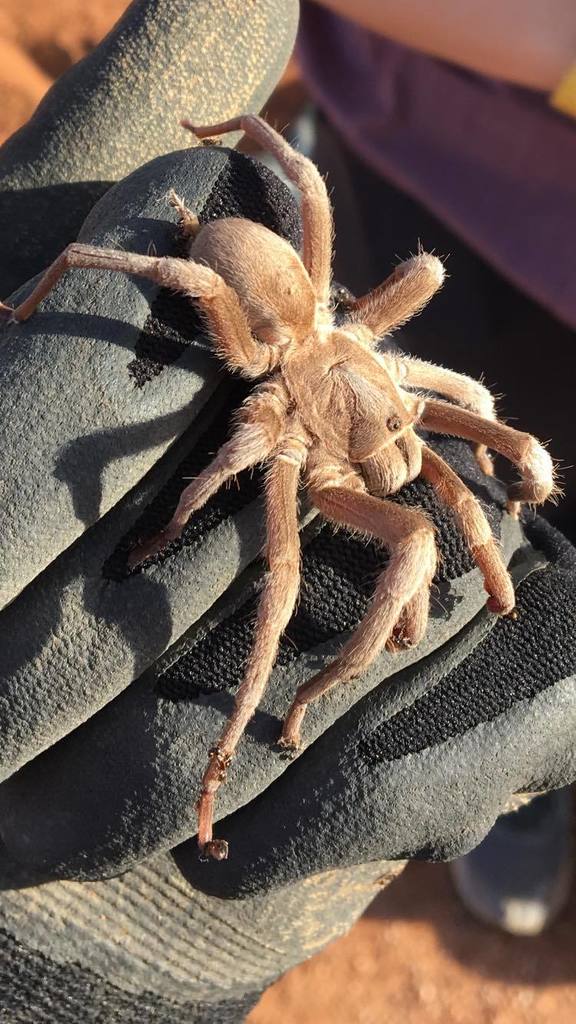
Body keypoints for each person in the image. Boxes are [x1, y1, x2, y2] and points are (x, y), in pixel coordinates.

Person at [298, 0, 576, 934]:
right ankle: (473, 729)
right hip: (440, 138)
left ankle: (533, 736)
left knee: (496, 449)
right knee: (422, 510)